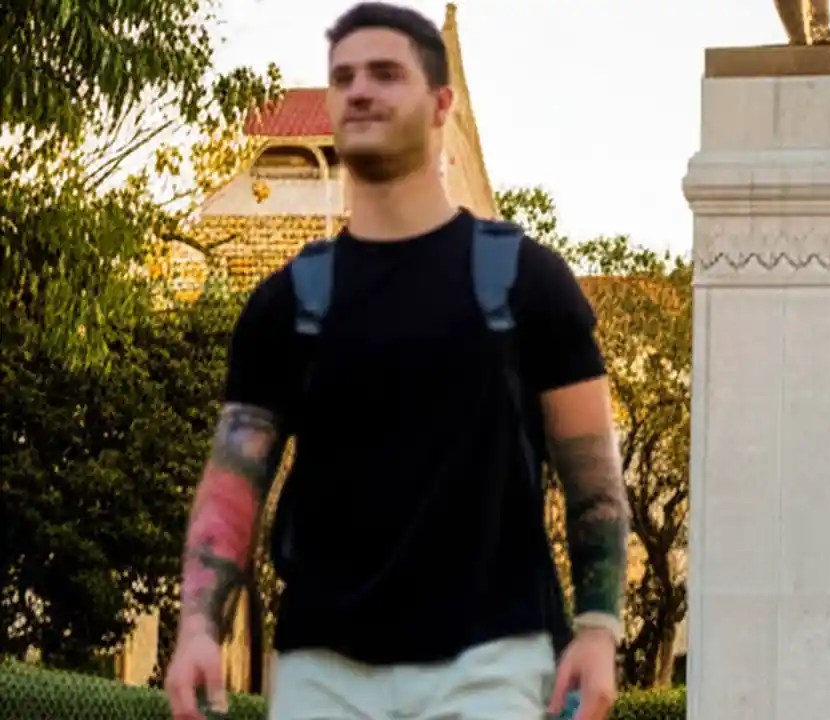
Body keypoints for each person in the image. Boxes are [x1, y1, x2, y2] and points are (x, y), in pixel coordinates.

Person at [162, 3, 629, 719]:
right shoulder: (285, 303)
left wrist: (598, 628)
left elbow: (593, 479)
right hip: (324, 668)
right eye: (343, 76)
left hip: (494, 662)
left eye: (385, 73)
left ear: (442, 103)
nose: (359, 91)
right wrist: (199, 626)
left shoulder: (528, 282)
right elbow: (235, 478)